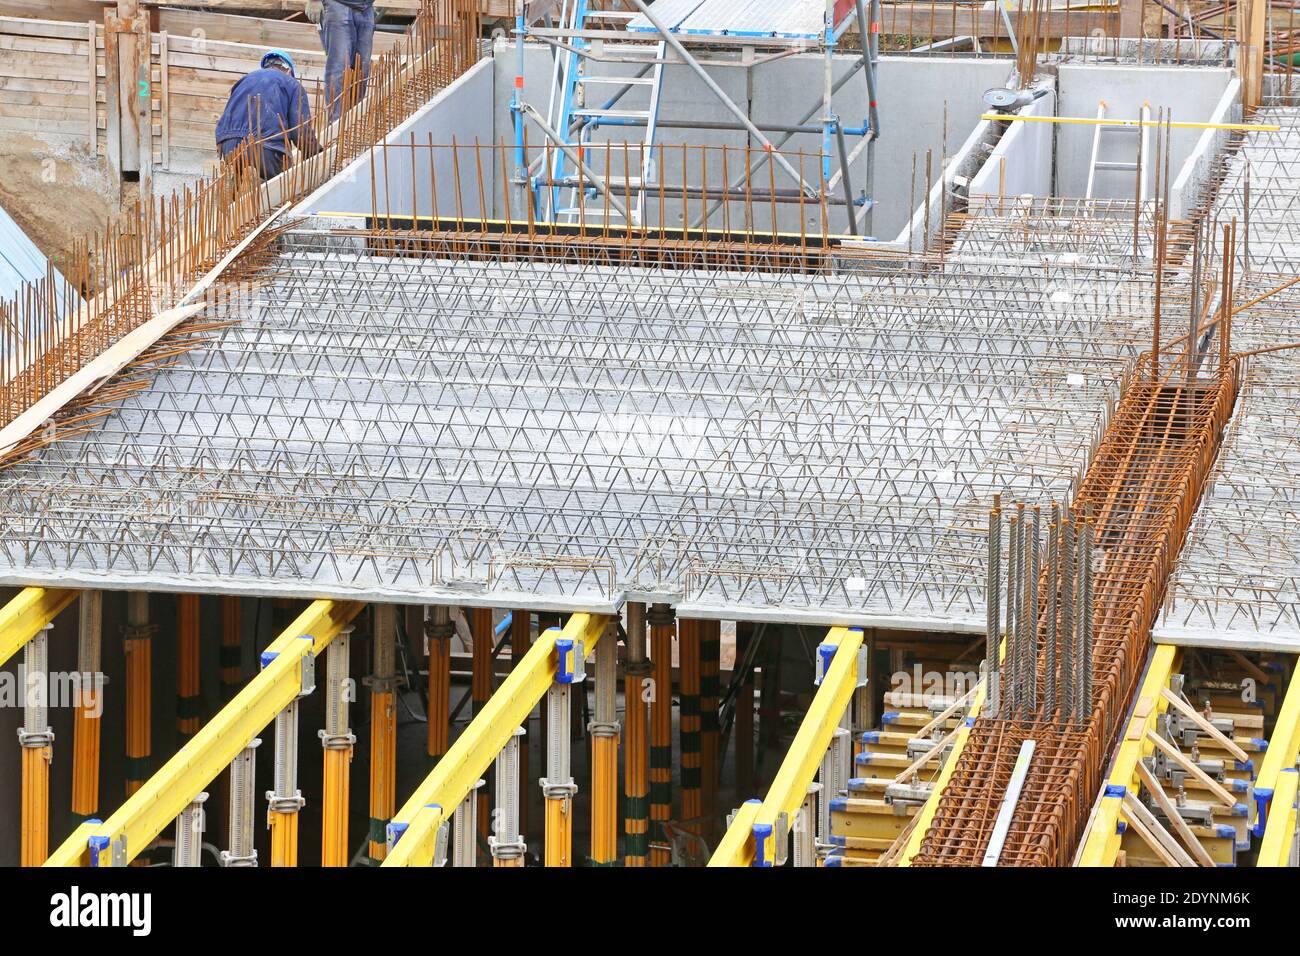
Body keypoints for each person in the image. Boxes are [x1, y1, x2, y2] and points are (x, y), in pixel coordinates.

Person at [214, 50, 321, 181]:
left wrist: (221, 141)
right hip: (266, 148)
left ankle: (237, 183)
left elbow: (227, 114)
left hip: (230, 146)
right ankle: (259, 182)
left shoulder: (244, 80)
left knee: (240, 184)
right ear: (288, 71)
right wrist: (316, 155)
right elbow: (301, 132)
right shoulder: (292, 84)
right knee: (277, 188)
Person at [307, 0, 376, 120]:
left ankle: (354, 122)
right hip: (338, 6)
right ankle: (336, 124)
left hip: (366, 8)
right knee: (339, 67)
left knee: (362, 69)